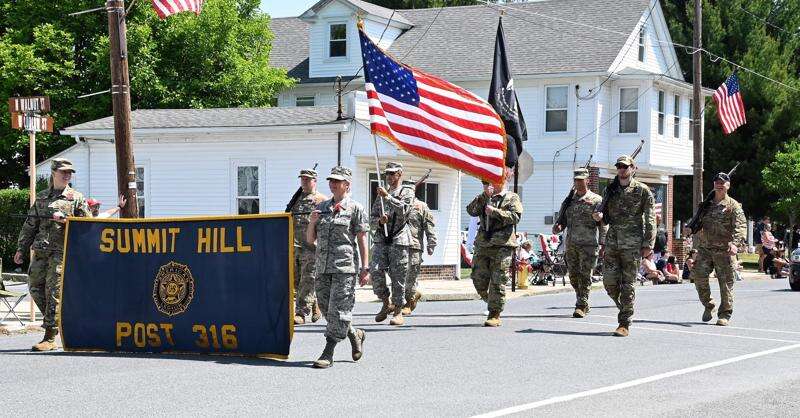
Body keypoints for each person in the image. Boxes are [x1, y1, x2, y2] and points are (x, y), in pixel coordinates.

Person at [14, 158, 91, 351]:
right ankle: (60, 320)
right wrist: (20, 249)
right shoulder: (41, 198)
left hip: (61, 252)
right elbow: (30, 225)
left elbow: (89, 225)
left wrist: (68, 220)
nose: (67, 175)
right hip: (41, 252)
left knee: (54, 293)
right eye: (63, 172)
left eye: (69, 173)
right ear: (54, 173)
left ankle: (50, 336)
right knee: (34, 288)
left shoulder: (76, 198)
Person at [306, 166, 369, 369]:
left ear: (347, 185)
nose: (333, 184)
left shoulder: (355, 208)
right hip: (322, 267)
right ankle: (354, 333)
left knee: (339, 309)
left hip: (345, 268)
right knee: (327, 309)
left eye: (337, 181)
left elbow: (362, 238)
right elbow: (310, 239)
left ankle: (328, 352)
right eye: (331, 180)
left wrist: (365, 268)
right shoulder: (322, 207)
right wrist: (312, 222)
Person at [592, 155, 656, 337]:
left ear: (633, 168)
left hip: (633, 244)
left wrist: (648, 244)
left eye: (625, 166)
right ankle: (625, 307)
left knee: (628, 284)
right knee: (609, 282)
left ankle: (624, 322)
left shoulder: (642, 191)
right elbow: (606, 216)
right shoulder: (610, 190)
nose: (621, 169)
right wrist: (599, 217)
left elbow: (651, 218)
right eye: (619, 166)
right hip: (613, 242)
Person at [684, 172, 746, 327]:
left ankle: (724, 314)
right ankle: (709, 304)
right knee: (698, 276)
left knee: (725, 284)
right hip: (705, 249)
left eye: (723, 182)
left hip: (724, 251)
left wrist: (735, 244)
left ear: (728, 185)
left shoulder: (733, 206)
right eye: (717, 182)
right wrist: (690, 229)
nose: (719, 184)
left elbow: (741, 226)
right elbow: (698, 223)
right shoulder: (706, 205)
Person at [466, 172, 523, 327]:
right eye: (485, 182)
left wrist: (495, 212)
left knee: (498, 280)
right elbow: (471, 210)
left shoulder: (512, 197)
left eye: (490, 182)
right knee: (478, 278)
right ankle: (492, 300)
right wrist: (484, 196)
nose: (487, 185)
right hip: (484, 244)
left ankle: (494, 313)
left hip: (502, 245)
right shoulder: (484, 198)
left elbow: (515, 217)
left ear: (500, 181)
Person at [552, 168, 607, 318]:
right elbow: (562, 221)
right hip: (571, 244)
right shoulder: (569, 200)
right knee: (574, 277)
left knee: (585, 276)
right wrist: (558, 227)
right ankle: (582, 300)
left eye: (581, 180)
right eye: (576, 180)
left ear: (587, 181)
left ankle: (581, 305)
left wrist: (603, 243)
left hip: (589, 244)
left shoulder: (596, 200)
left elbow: (604, 223)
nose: (578, 182)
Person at [370, 162, 414, 326]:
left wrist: (388, 197)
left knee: (398, 275)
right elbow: (372, 217)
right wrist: (380, 222)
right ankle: (385, 302)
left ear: (399, 174)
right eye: (387, 173)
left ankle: (398, 311)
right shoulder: (381, 194)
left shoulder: (406, 191)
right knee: (375, 270)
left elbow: (405, 210)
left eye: (392, 173)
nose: (388, 176)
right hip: (382, 238)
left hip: (399, 238)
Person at [289, 169, 327, 325]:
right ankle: (314, 302)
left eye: (307, 179)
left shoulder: (321, 200)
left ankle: (301, 313)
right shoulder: (296, 199)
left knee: (307, 279)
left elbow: (325, 225)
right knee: (297, 281)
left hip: (311, 247)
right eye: (302, 179)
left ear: (314, 181)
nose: (304, 182)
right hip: (295, 246)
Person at [402, 196, 436, 315]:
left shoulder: (421, 206)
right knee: (399, 275)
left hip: (414, 246)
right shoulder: (398, 204)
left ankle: (409, 302)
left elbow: (429, 225)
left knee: (411, 275)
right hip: (398, 246)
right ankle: (409, 296)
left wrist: (431, 243)